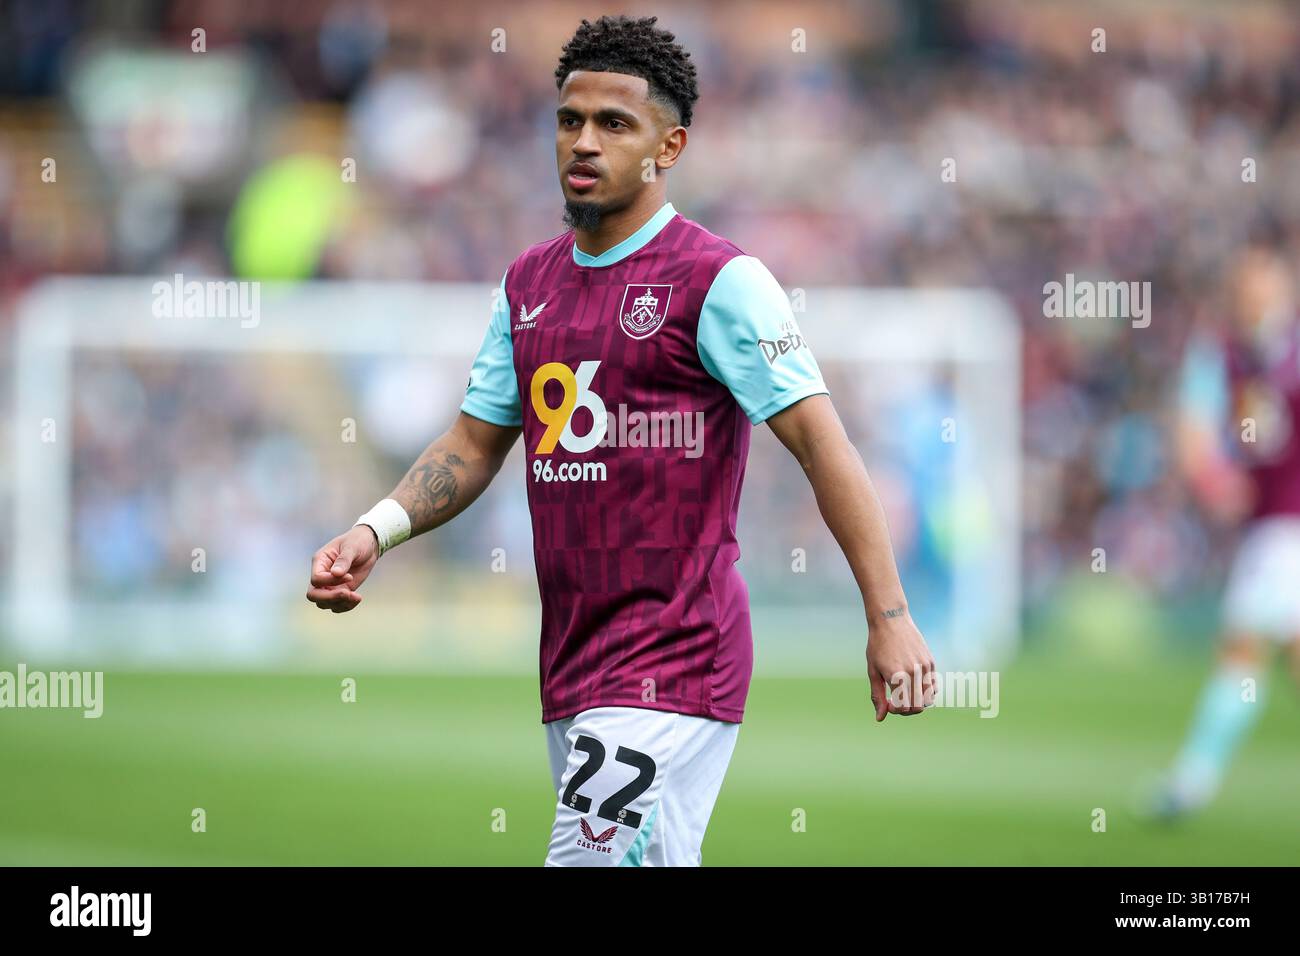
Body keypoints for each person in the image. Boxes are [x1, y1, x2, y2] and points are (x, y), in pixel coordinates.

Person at [306, 14, 934, 865]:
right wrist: (375, 528)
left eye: (614, 124)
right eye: (570, 120)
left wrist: (889, 616)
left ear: (667, 146)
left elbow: (825, 447)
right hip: (573, 656)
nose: (584, 142)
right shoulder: (527, 284)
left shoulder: (721, 281)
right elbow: (474, 441)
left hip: (677, 653)